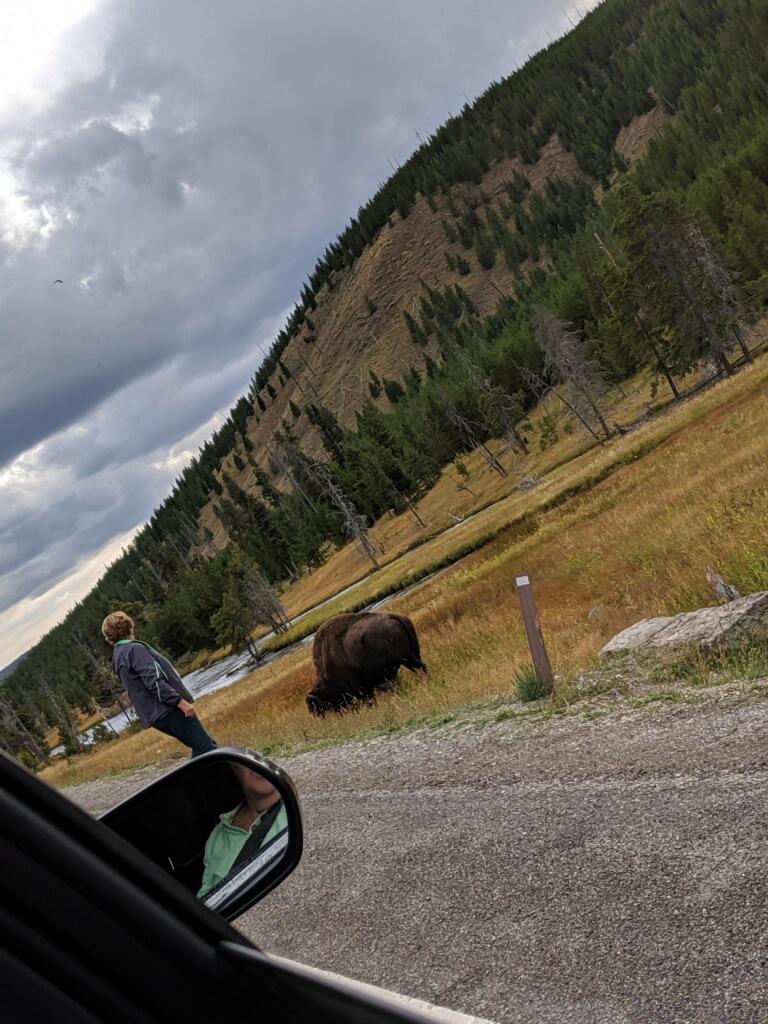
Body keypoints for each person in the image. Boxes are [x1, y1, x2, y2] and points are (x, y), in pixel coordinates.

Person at [101, 610, 217, 758]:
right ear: (128, 626)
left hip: (156, 715)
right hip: (168, 709)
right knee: (206, 748)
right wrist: (180, 702)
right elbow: (154, 683)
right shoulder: (134, 649)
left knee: (203, 746)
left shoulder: (118, 654)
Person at [198, 762, 288, 898]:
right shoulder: (217, 835)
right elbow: (206, 901)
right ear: (232, 765)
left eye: (265, 751)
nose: (260, 761)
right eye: (247, 754)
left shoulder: (293, 810)